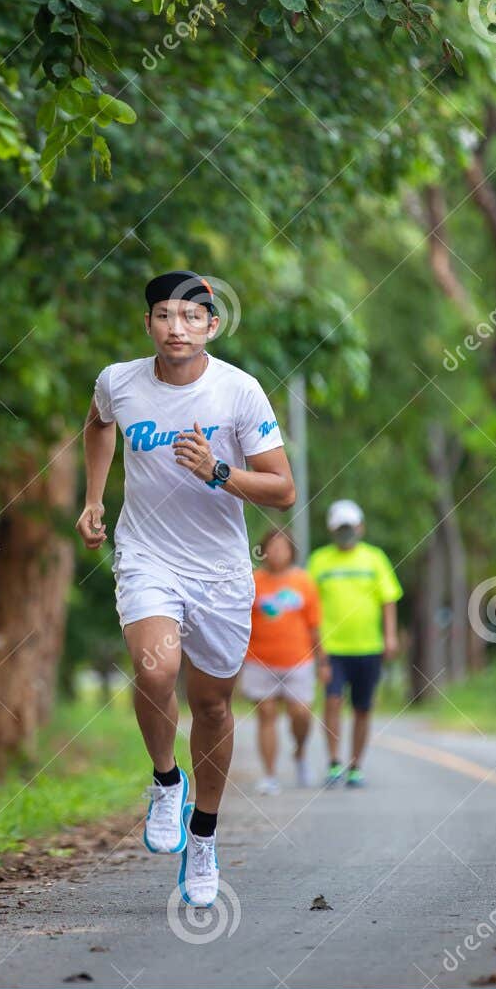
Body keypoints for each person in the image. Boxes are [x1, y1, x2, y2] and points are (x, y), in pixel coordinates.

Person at [76, 270, 295, 908]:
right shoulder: (118, 381)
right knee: (154, 670)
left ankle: (203, 836)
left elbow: (282, 489)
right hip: (146, 555)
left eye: (191, 317)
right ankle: (167, 781)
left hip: (222, 571)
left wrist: (220, 471)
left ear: (211, 326)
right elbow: (97, 425)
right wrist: (94, 500)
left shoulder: (240, 391)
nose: (177, 328)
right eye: (165, 315)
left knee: (214, 707)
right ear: (148, 323)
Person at [305, 499, 401, 789]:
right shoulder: (319, 561)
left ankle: (356, 765)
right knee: (332, 702)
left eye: (350, 527)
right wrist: (317, 648)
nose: (346, 532)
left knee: (363, 707)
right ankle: (334, 761)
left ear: (360, 527)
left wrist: (390, 636)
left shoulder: (375, 559)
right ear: (332, 530)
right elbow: (311, 608)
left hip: (368, 647)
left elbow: (388, 600)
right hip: (332, 648)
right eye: (341, 528)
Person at [240, 528, 323, 794]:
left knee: (301, 713)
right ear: (263, 550)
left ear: (291, 551)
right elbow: (241, 624)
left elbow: (314, 626)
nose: (277, 552)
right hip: (259, 660)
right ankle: (270, 775)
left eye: (282, 547)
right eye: (272, 547)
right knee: (266, 714)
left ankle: (299, 752)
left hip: (299, 660)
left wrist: (324, 662)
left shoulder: (304, 582)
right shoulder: (253, 582)